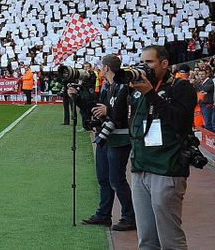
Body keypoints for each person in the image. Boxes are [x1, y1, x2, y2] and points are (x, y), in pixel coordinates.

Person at [127, 44, 198, 250]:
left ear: (164, 64)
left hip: (167, 168)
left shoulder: (180, 87)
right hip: (141, 168)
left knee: (170, 240)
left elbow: (179, 121)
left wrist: (151, 94)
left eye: (149, 62)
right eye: (142, 62)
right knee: (146, 240)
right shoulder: (139, 90)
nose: (144, 67)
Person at [81, 55, 135, 231]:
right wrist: (78, 97)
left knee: (116, 179)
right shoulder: (107, 86)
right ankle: (104, 214)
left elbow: (125, 113)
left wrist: (108, 110)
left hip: (119, 138)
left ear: (106, 68)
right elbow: (98, 109)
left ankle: (130, 216)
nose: (99, 69)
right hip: (105, 137)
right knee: (104, 178)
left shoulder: (123, 86)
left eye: (101, 66)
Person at [196, 66, 213, 131]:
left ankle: (211, 139)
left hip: (207, 105)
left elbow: (206, 88)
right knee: (203, 124)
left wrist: (199, 86)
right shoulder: (199, 83)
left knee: (208, 124)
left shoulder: (210, 81)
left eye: (202, 74)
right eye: (199, 74)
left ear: (206, 74)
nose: (201, 76)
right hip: (200, 105)